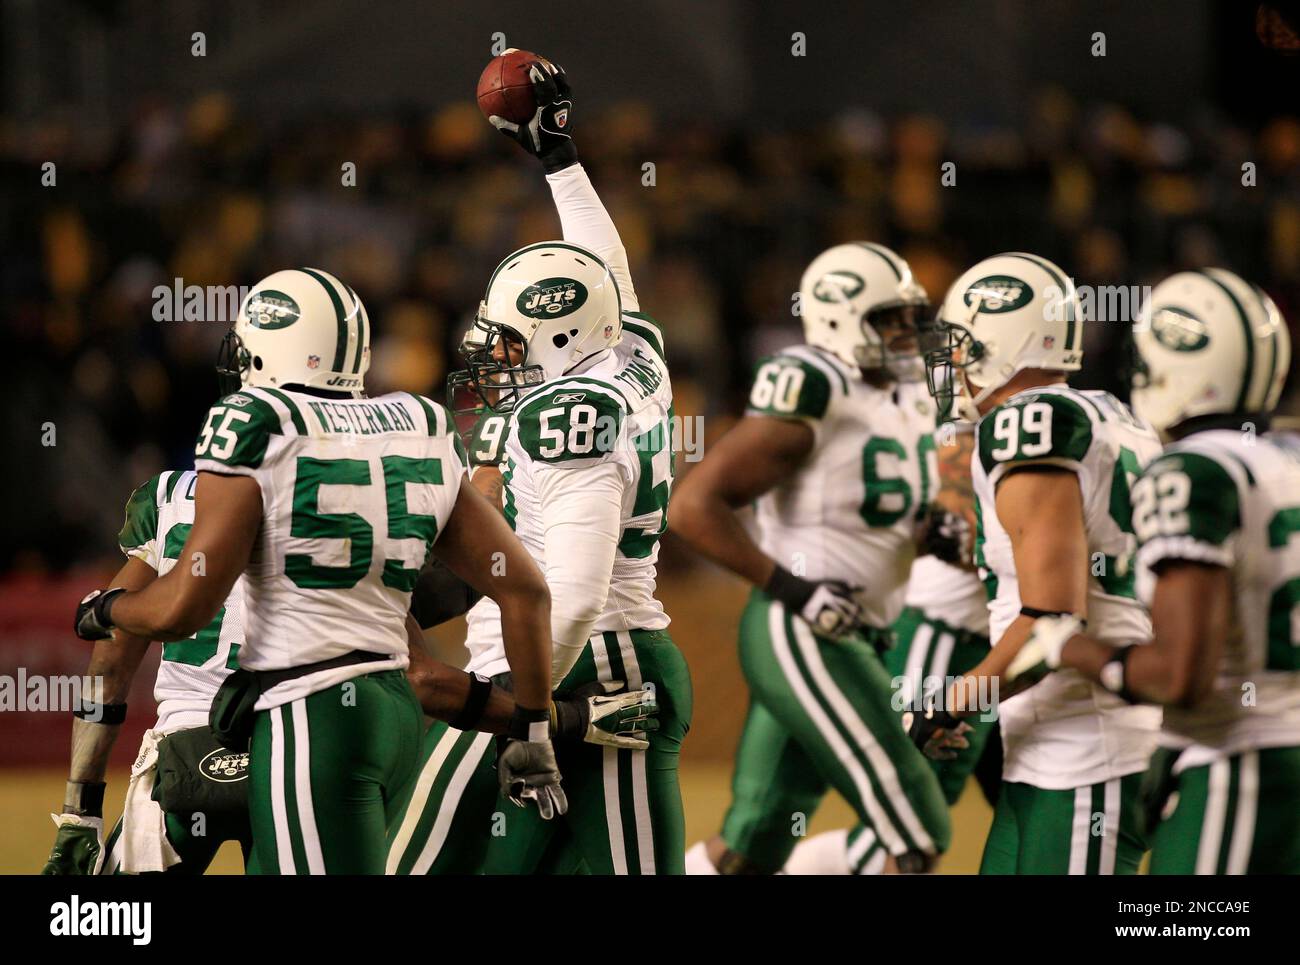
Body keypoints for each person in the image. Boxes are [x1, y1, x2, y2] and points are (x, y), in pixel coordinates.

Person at [71, 268, 564, 874]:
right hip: (393, 715)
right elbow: (525, 591)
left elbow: (181, 610)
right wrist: (534, 727)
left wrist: (106, 608)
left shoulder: (255, 422)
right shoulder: (421, 422)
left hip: (308, 712)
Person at [671, 241, 951, 874]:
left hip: (859, 631)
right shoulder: (814, 383)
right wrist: (793, 588)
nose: (906, 333)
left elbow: (873, 509)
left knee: (752, 844)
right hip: (806, 630)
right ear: (839, 315)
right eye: (890, 318)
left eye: (909, 317)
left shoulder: (901, 397)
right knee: (918, 831)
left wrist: (932, 534)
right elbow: (694, 507)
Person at [1009, 268, 1297, 874]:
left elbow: (1179, 679)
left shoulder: (1191, 473)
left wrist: (1068, 645)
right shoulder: (1287, 458)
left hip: (1242, 768)